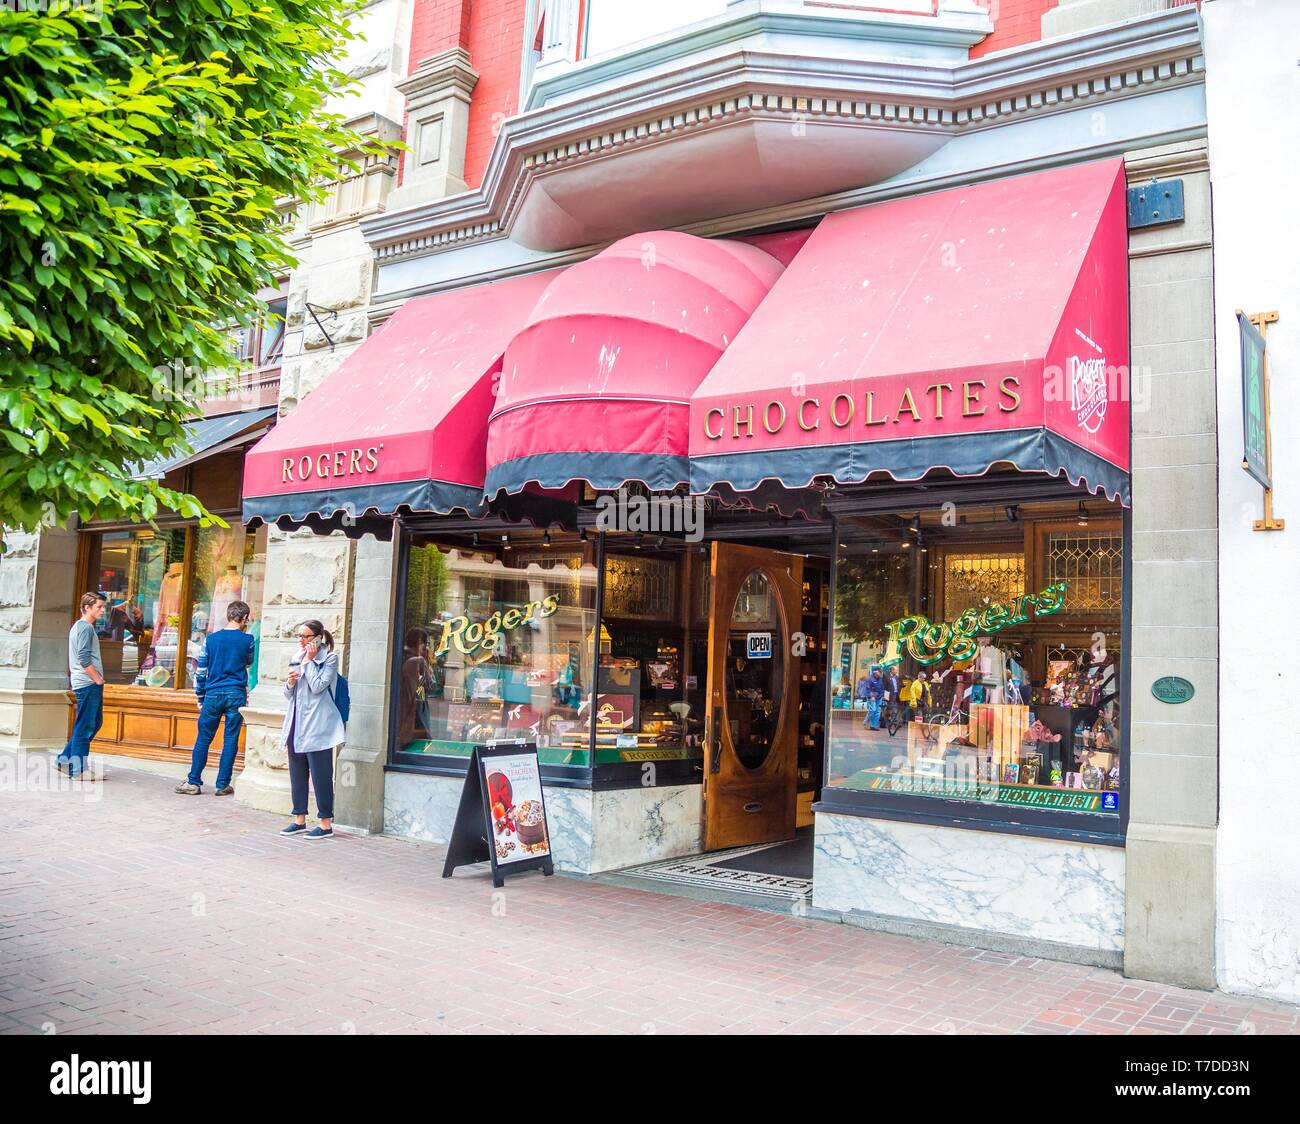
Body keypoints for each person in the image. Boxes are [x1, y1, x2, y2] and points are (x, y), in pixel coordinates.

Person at [175, 600, 255, 796]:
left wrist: (200, 696)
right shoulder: (248, 640)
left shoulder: (211, 640)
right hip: (236, 693)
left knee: (203, 738)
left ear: (228, 616)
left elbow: (201, 671)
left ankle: (193, 781)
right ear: (244, 618)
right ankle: (222, 784)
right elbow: (249, 662)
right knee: (230, 739)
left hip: (212, 693)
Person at [279, 620, 345, 840]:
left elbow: (318, 687)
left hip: (318, 725)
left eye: (305, 636)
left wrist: (308, 661)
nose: (301, 640)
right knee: (297, 773)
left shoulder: (330, 659)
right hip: (296, 724)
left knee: (321, 774)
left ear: (317, 638)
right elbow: (290, 696)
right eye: (299, 636)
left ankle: (325, 823)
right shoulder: (296, 656)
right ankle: (299, 819)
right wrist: (289, 683)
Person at [57, 592, 108, 780]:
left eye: (103, 607)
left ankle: (63, 761)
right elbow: (84, 658)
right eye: (99, 607)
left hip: (84, 683)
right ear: (87, 607)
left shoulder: (80, 627)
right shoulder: (85, 628)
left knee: (92, 723)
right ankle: (78, 770)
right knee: (86, 726)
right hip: (87, 683)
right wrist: (98, 680)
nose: (103, 611)